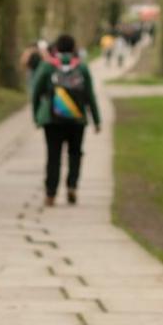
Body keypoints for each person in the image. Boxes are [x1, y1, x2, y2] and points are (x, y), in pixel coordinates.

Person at [30, 33, 101, 207]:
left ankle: (51, 193)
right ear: (73, 47)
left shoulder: (47, 67)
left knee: (53, 155)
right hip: (77, 119)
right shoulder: (82, 68)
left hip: (52, 120)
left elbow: (35, 93)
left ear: (56, 48)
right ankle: (72, 186)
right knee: (75, 153)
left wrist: (37, 116)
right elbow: (90, 95)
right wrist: (96, 120)